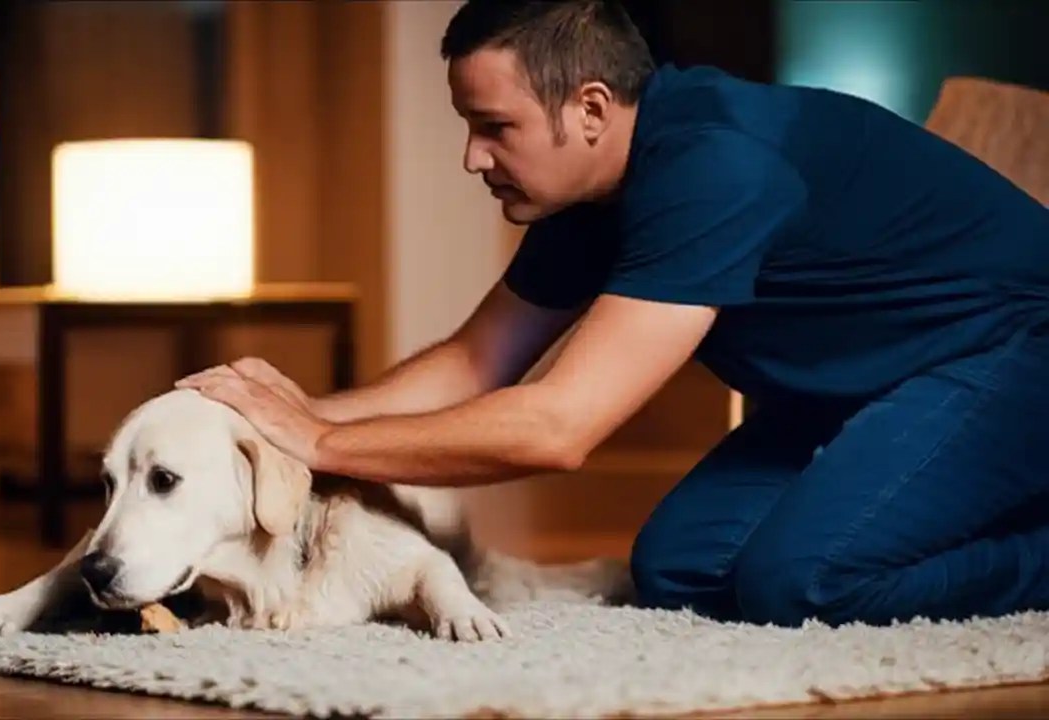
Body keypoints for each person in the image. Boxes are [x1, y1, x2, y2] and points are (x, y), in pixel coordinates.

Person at [178, 0, 1049, 628]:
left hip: (1012, 355)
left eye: (493, 126)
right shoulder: (588, 191)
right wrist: (291, 414)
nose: (472, 156)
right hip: (870, 388)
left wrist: (321, 445)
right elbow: (478, 360)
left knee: (801, 583)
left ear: (590, 108)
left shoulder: (714, 167)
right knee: (678, 569)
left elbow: (558, 428)